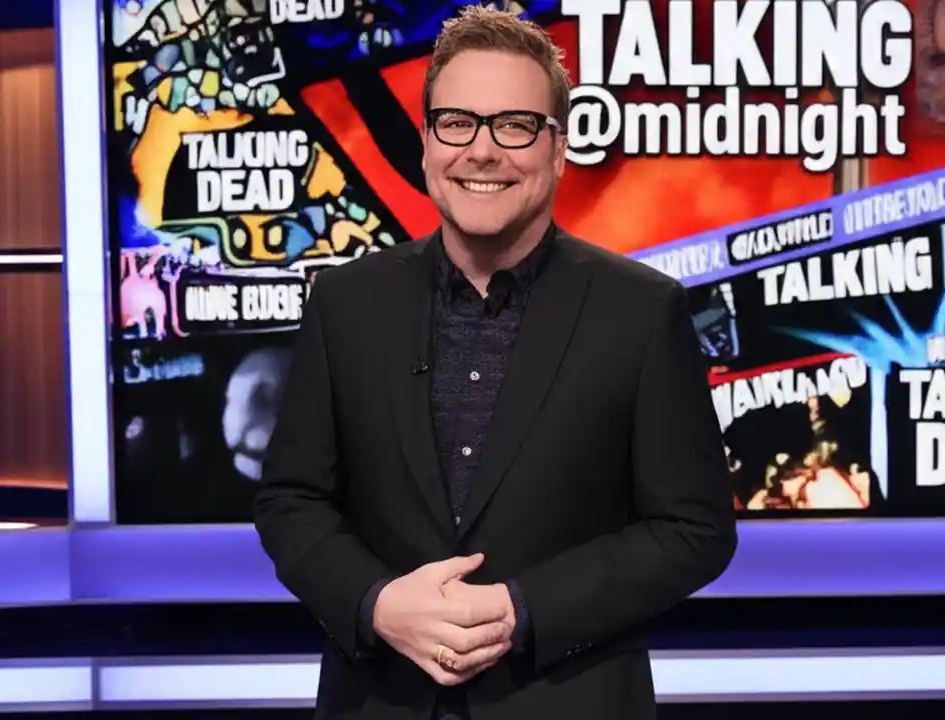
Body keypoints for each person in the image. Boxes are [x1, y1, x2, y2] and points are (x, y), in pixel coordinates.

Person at [254, 6, 738, 719]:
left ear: (557, 147)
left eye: (514, 125)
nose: (482, 151)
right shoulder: (347, 302)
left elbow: (695, 530)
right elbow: (290, 501)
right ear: (424, 144)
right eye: (457, 123)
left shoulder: (641, 310)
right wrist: (377, 603)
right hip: (383, 700)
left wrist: (521, 611)